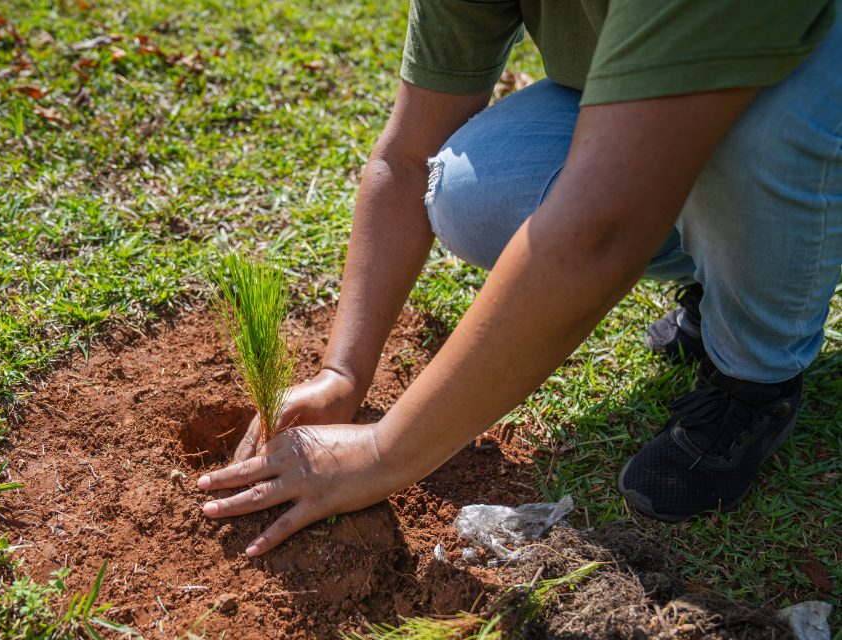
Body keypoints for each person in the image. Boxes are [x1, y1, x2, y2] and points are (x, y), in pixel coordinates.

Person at [198, 0, 842, 557]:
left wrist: (383, 455)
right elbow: (407, 152)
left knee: (755, 132)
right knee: (470, 188)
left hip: (799, 89)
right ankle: (725, 261)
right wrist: (345, 373)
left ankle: (754, 376)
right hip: (664, 95)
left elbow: (601, 233)